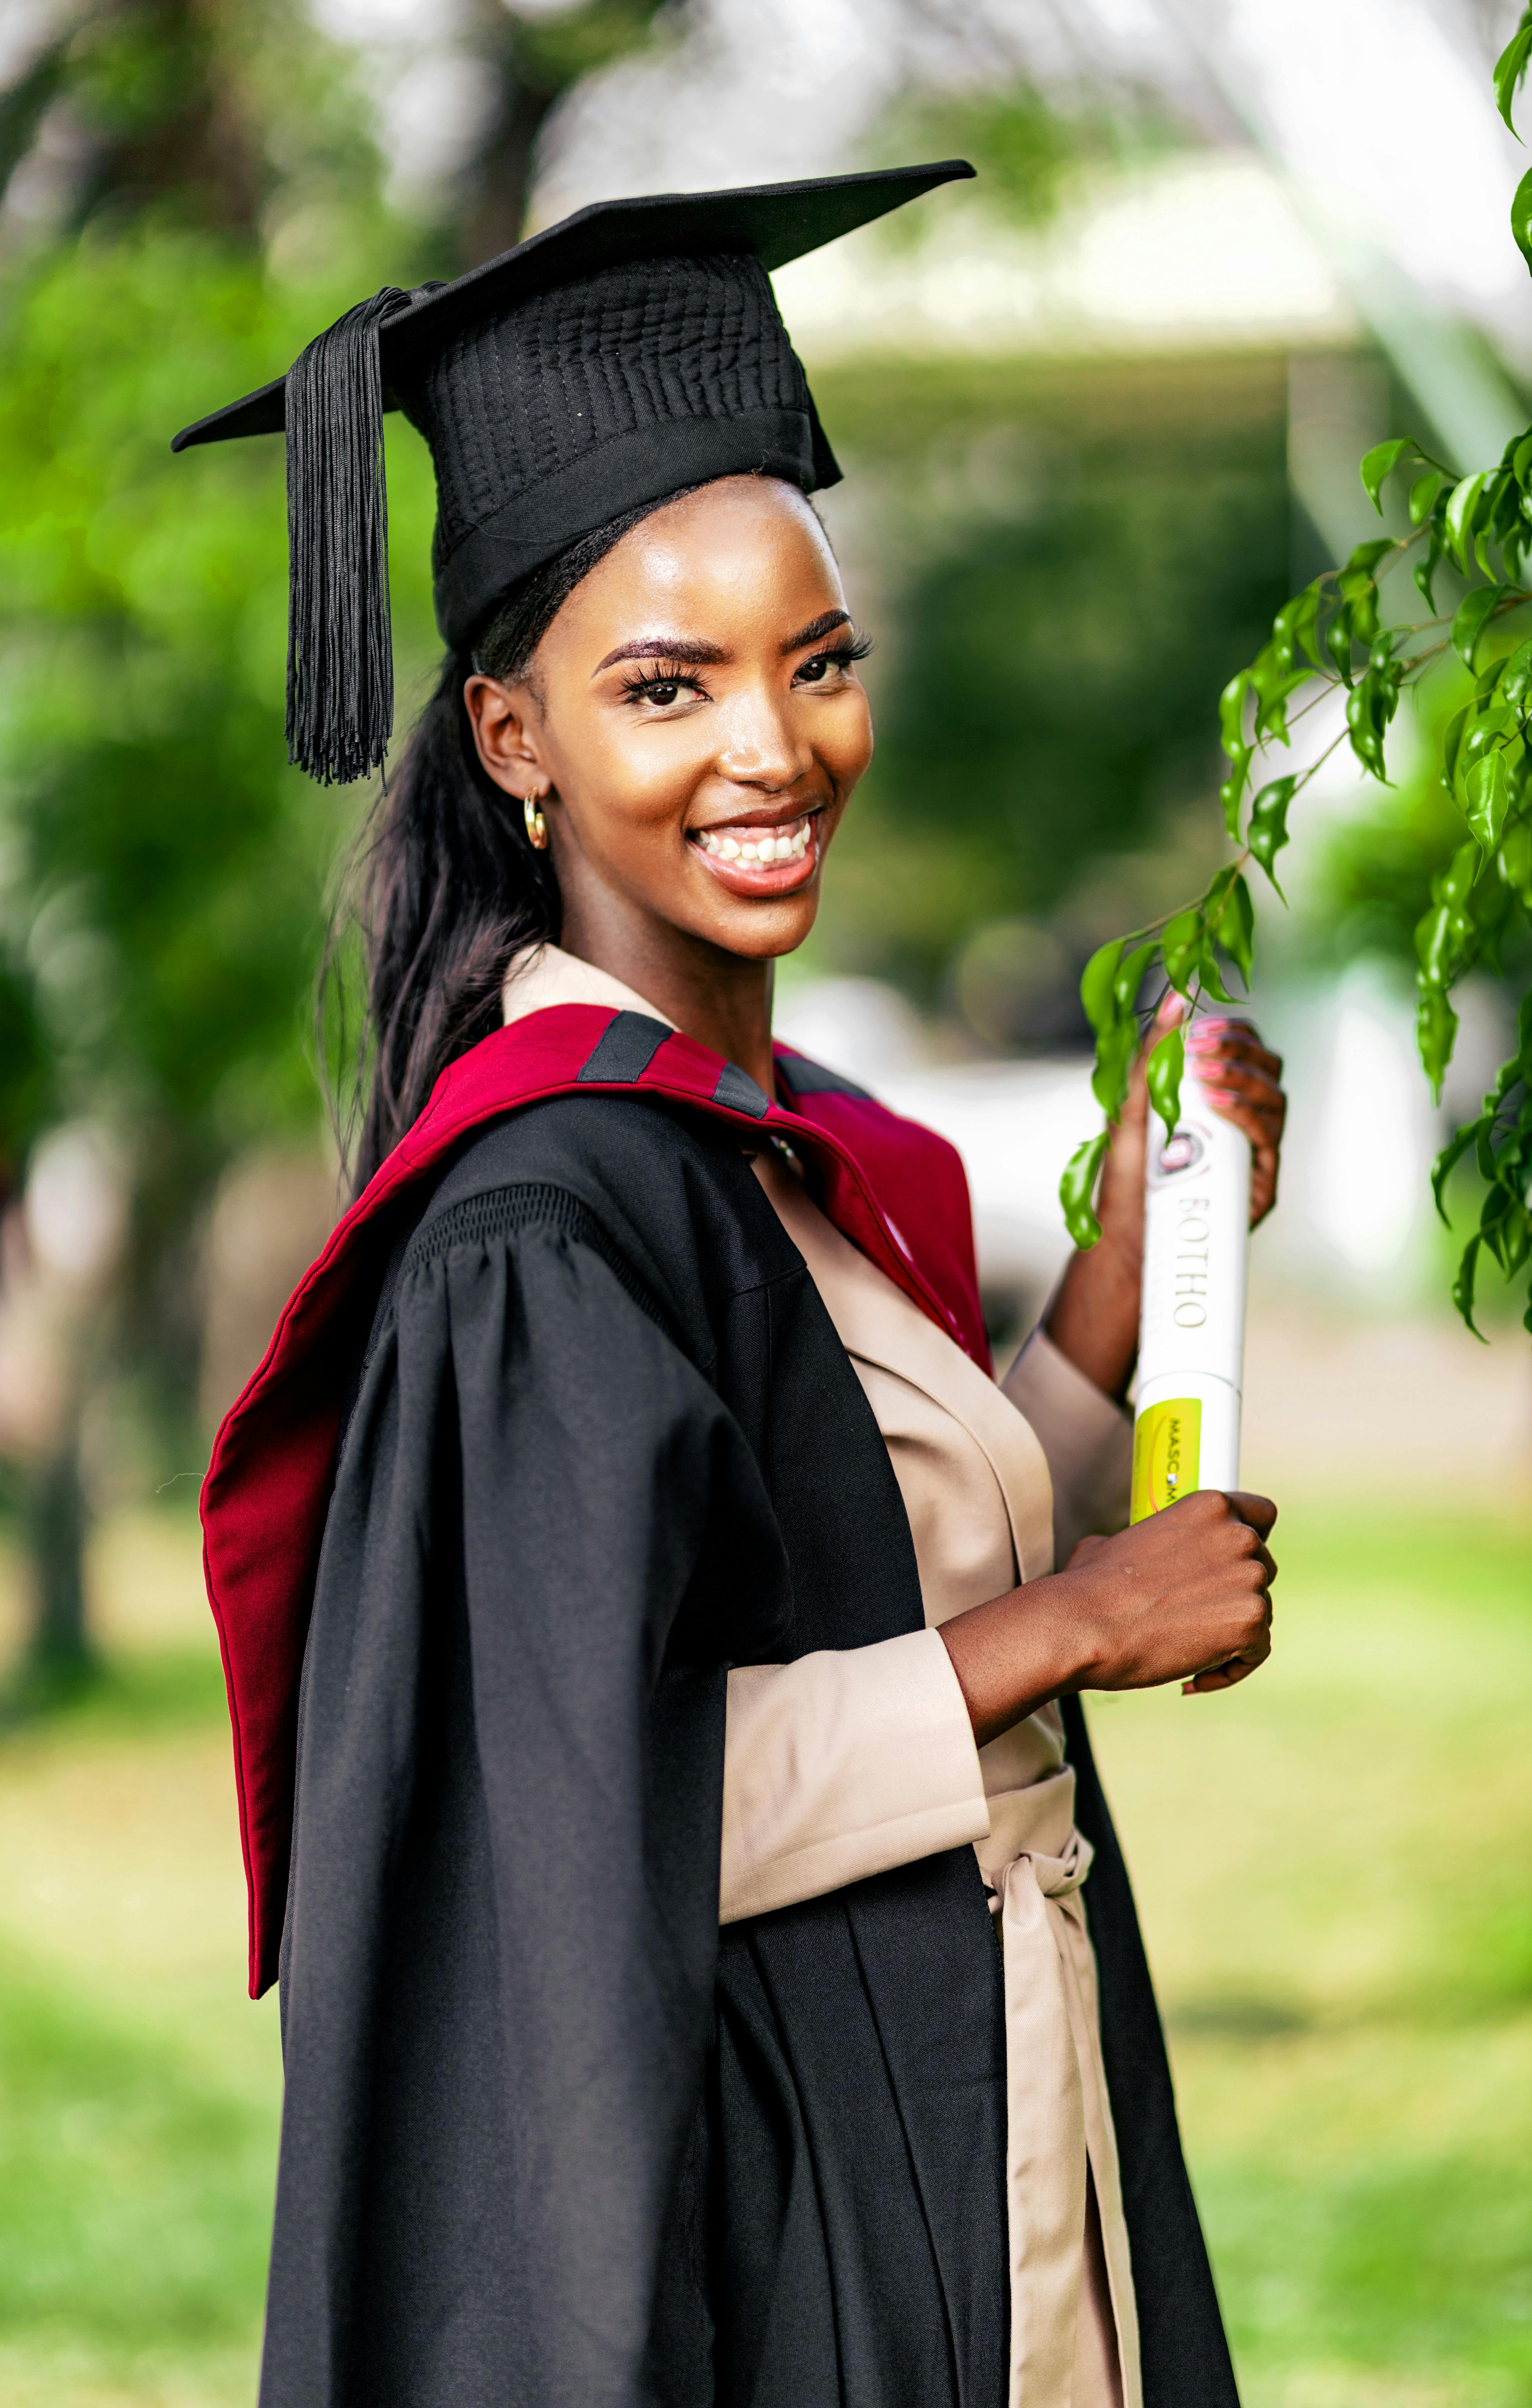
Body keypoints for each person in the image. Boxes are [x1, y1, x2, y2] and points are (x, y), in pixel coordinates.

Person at [184, 164, 1287, 2408]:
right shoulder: (543, 1222)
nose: (773, 751)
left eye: (819, 663)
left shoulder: (758, 1148)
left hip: (986, 2104)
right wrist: (1074, 1628)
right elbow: (572, 1804)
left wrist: (1141, 1263)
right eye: (666, 687)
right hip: (781, 2227)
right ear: (517, 740)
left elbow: (893, 1552)